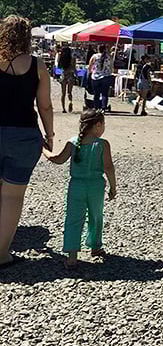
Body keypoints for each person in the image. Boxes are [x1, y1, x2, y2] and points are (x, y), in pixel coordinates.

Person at [0, 15, 54, 268]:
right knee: (12, 196)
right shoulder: (37, 65)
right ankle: (1, 254)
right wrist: (50, 135)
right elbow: (45, 105)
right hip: (23, 135)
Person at [46, 108, 116, 268]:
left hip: (76, 185)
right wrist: (113, 187)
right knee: (96, 216)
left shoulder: (73, 142)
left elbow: (57, 159)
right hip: (95, 185)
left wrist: (44, 150)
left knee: (73, 218)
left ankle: (72, 257)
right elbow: (109, 168)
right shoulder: (102, 144)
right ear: (98, 125)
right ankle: (95, 246)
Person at [89, 45, 112, 112]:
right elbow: (111, 67)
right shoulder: (109, 56)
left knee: (96, 94)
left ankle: (96, 108)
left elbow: (90, 66)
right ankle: (104, 107)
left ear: (98, 49)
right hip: (106, 76)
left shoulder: (94, 56)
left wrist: (90, 72)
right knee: (104, 93)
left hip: (96, 77)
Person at [57, 41, 76, 113]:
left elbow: (59, 66)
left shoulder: (61, 57)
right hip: (70, 75)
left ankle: (63, 108)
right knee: (69, 92)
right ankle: (70, 101)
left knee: (63, 93)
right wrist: (76, 74)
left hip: (63, 74)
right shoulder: (72, 58)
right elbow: (74, 68)